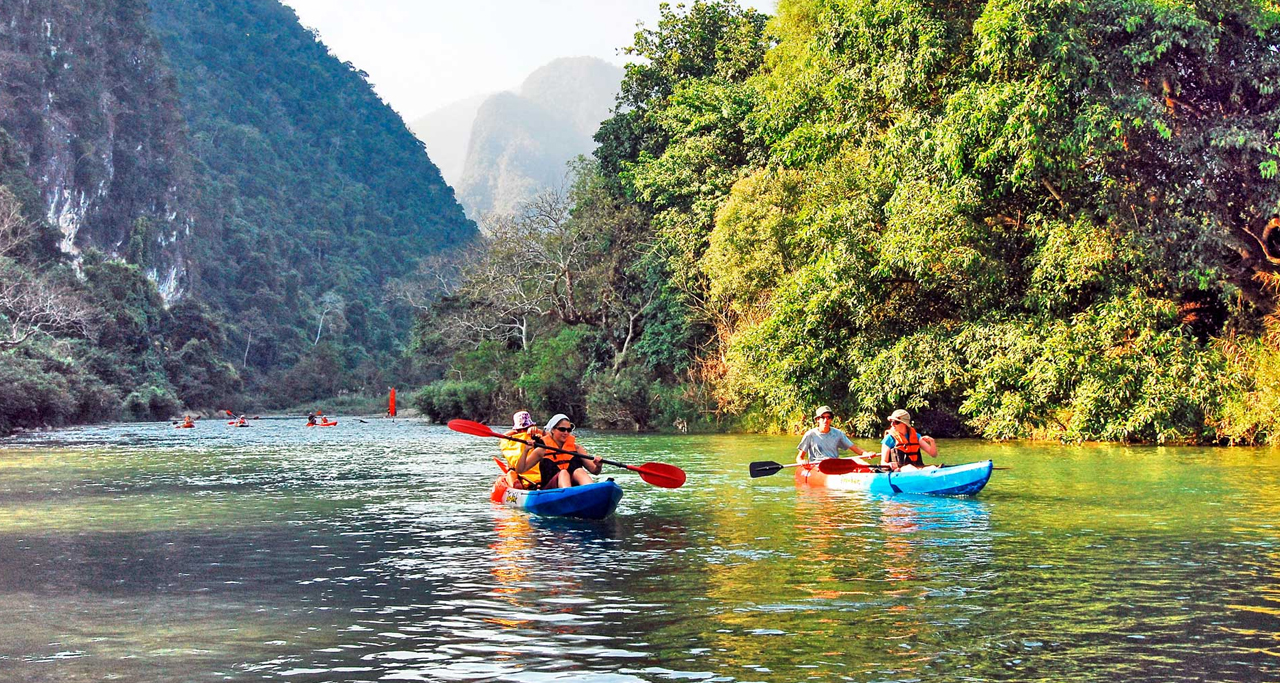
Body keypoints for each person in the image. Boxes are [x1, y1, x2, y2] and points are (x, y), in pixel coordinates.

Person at [517, 413, 602, 489]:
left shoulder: (577, 448)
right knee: (563, 473)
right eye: (562, 429)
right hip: (551, 490)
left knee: (579, 471)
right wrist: (525, 451)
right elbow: (520, 470)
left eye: (569, 430)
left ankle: (592, 492)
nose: (566, 433)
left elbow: (595, 471)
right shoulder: (541, 450)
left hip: (573, 487)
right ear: (553, 430)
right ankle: (568, 496)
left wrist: (598, 466)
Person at [797, 405, 874, 466]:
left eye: (828, 417)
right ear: (817, 420)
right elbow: (799, 458)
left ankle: (873, 471)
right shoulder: (810, 435)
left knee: (857, 460)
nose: (825, 420)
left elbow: (855, 449)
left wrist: (866, 454)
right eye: (822, 417)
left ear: (831, 419)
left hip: (834, 464)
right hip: (818, 465)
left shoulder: (838, 433)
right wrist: (802, 462)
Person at [499, 410, 543, 490]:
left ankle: (515, 487)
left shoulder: (508, 442)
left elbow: (503, 437)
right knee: (511, 472)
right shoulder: (539, 438)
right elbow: (551, 437)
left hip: (525, 479)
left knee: (511, 472)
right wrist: (538, 431)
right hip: (539, 478)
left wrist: (514, 432)